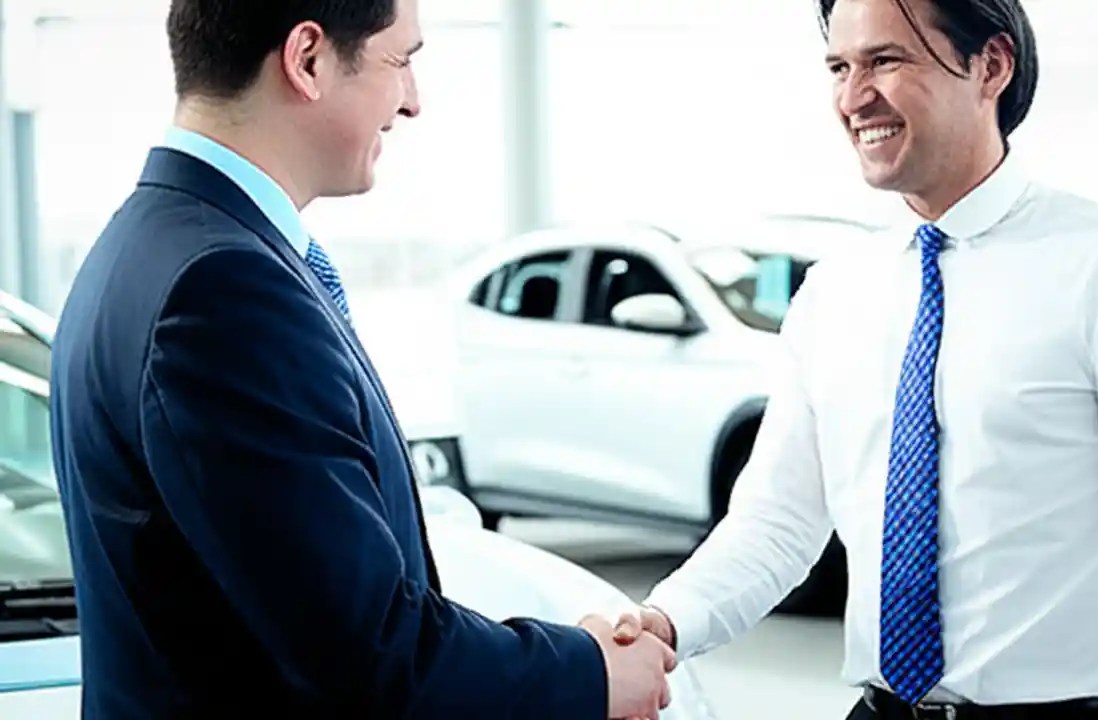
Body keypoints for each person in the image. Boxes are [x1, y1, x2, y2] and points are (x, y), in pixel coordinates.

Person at [614, 0, 1098, 718]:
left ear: (991, 66)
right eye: (839, 67)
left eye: (886, 60)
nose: (855, 98)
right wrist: (665, 622)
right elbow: (778, 524)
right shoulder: (836, 292)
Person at [48, 1, 675, 717]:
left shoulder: (146, 245)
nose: (412, 101)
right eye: (400, 61)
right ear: (308, 59)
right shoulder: (223, 290)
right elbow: (367, 658)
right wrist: (588, 673)